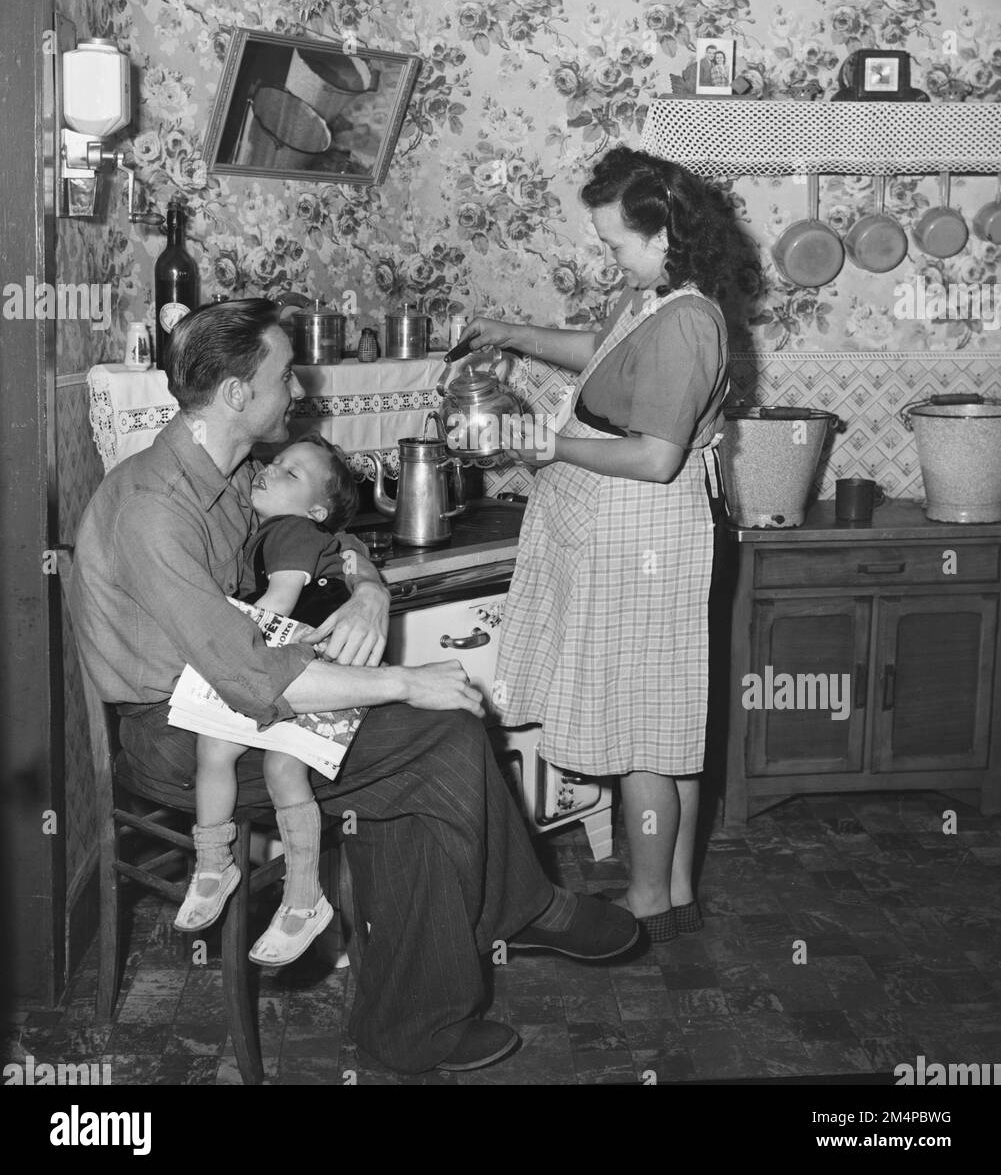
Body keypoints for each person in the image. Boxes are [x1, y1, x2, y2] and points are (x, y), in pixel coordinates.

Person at [69, 299, 637, 1076]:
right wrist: (404, 678)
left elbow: (322, 538)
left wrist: (367, 585)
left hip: (231, 709)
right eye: (283, 376)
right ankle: (516, 918)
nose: (297, 393)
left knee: (419, 771)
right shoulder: (151, 511)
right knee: (438, 734)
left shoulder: (226, 475)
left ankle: (418, 1024)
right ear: (238, 395)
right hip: (175, 737)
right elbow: (249, 680)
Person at [461, 146, 737, 945]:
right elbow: (606, 357)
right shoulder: (656, 296)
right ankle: (676, 888)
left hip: (645, 530)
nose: (608, 255)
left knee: (642, 729)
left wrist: (552, 448)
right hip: (624, 525)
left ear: (666, 237)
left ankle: (646, 902)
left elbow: (654, 458)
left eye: (616, 241)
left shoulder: (687, 321)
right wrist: (510, 332)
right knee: (666, 726)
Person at [174, 433, 366, 968]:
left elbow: (278, 605)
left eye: (291, 473)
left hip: (313, 670)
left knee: (226, 753)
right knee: (274, 766)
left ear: (316, 509)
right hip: (306, 667)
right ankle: (283, 891)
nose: (271, 470)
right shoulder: (282, 527)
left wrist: (210, 625)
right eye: (276, 462)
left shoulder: (291, 530)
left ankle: (220, 868)